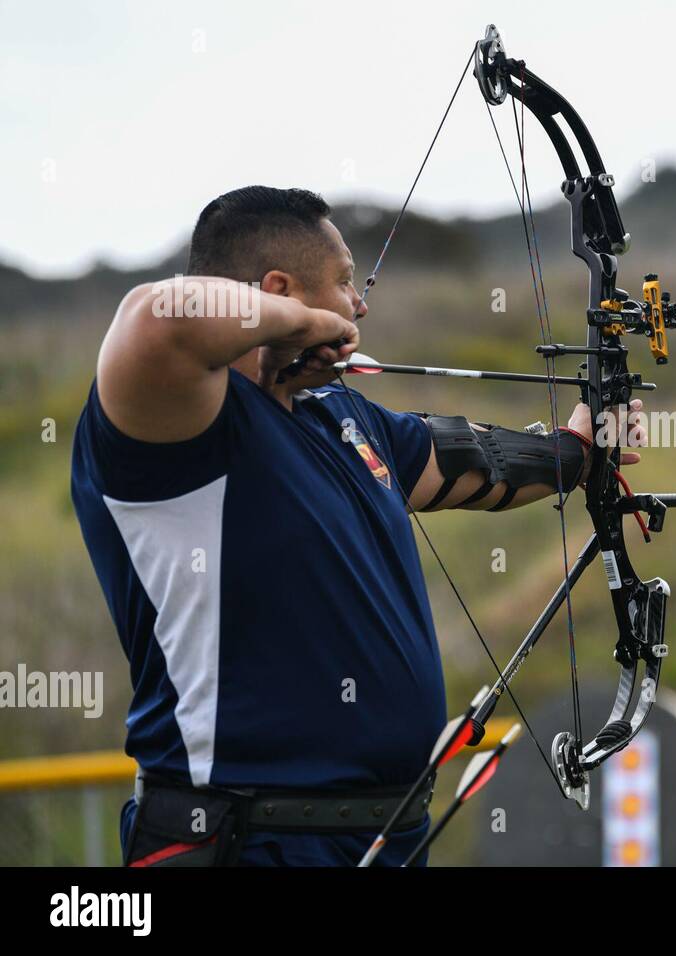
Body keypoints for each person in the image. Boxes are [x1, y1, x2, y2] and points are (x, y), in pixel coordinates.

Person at [69, 185, 644, 866]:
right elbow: (154, 314)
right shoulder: (178, 428)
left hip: (384, 837)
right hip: (244, 840)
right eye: (345, 283)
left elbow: (474, 460)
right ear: (279, 290)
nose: (359, 304)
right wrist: (302, 323)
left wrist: (580, 449)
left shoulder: (341, 417)